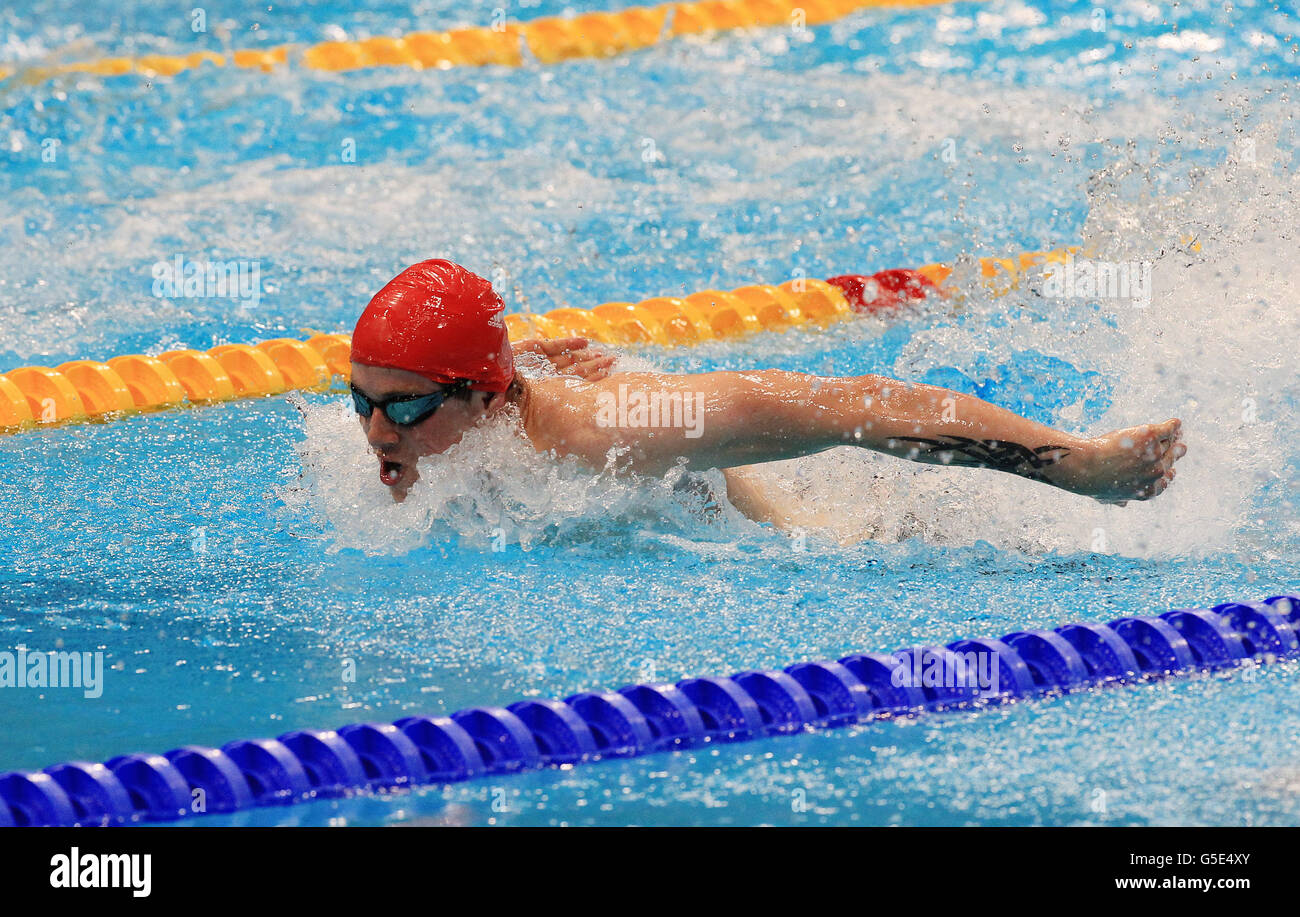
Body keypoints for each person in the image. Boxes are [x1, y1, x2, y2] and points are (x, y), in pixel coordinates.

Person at [348, 259, 1185, 527]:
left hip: (805, 538)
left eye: (408, 406)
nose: (377, 431)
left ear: (490, 401)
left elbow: (857, 402)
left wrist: (1076, 465)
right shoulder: (431, 429)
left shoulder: (615, 428)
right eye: (362, 400)